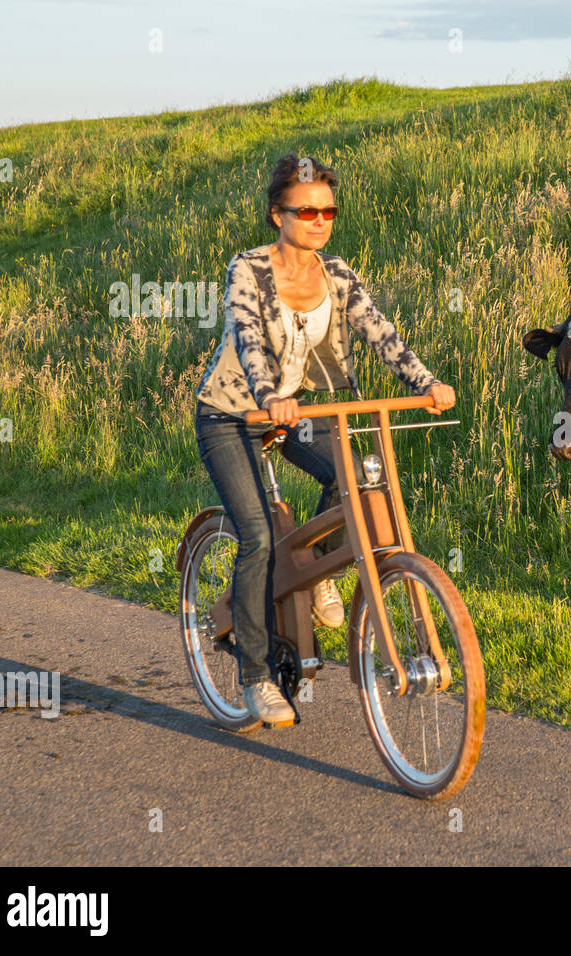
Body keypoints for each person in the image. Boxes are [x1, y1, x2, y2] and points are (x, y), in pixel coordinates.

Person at [192, 154, 455, 727]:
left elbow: (380, 332)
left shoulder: (336, 273)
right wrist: (266, 396)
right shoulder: (249, 268)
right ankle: (257, 678)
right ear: (276, 214)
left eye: (327, 210)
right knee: (258, 535)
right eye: (305, 209)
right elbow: (250, 336)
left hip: (300, 409)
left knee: (356, 475)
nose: (319, 220)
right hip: (233, 415)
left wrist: (426, 381)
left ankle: (318, 575)